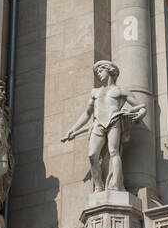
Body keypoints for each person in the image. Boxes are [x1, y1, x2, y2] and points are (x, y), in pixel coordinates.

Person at [63, 60, 147, 193]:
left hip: (114, 122)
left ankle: (117, 186)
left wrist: (141, 114)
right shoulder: (95, 92)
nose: (99, 74)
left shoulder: (120, 90)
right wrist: (73, 129)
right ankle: (98, 186)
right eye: (97, 73)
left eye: (101, 71)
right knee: (92, 156)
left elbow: (140, 107)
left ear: (110, 71)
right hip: (98, 124)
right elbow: (86, 114)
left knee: (114, 152)